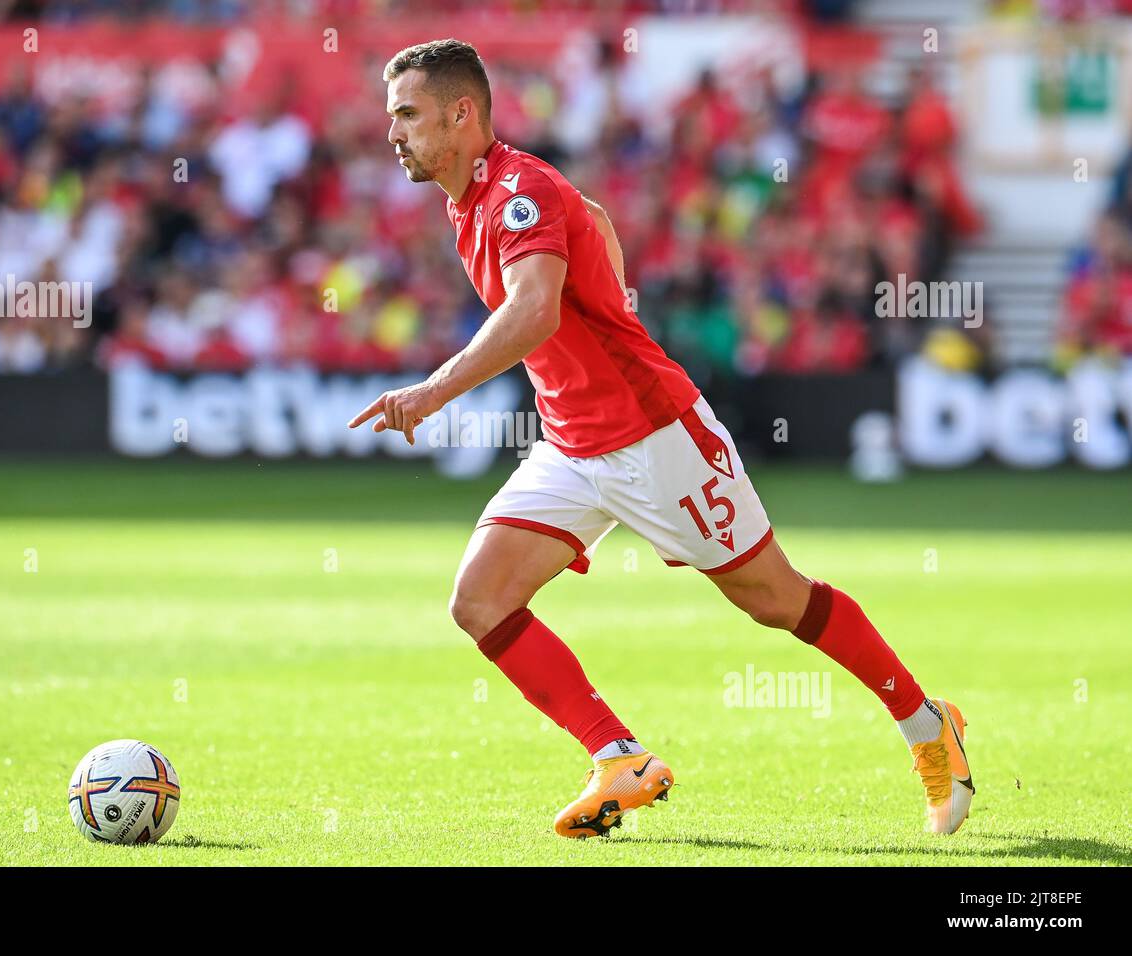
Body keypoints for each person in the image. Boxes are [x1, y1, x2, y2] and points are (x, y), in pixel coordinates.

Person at [349, 39, 973, 839]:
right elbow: (595, 220)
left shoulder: (516, 192)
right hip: (573, 445)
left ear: (462, 113)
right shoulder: (475, 197)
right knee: (480, 600)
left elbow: (535, 309)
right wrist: (609, 301)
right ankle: (620, 758)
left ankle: (927, 724)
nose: (393, 131)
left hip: (655, 437)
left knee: (775, 600)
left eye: (407, 114)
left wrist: (434, 391)